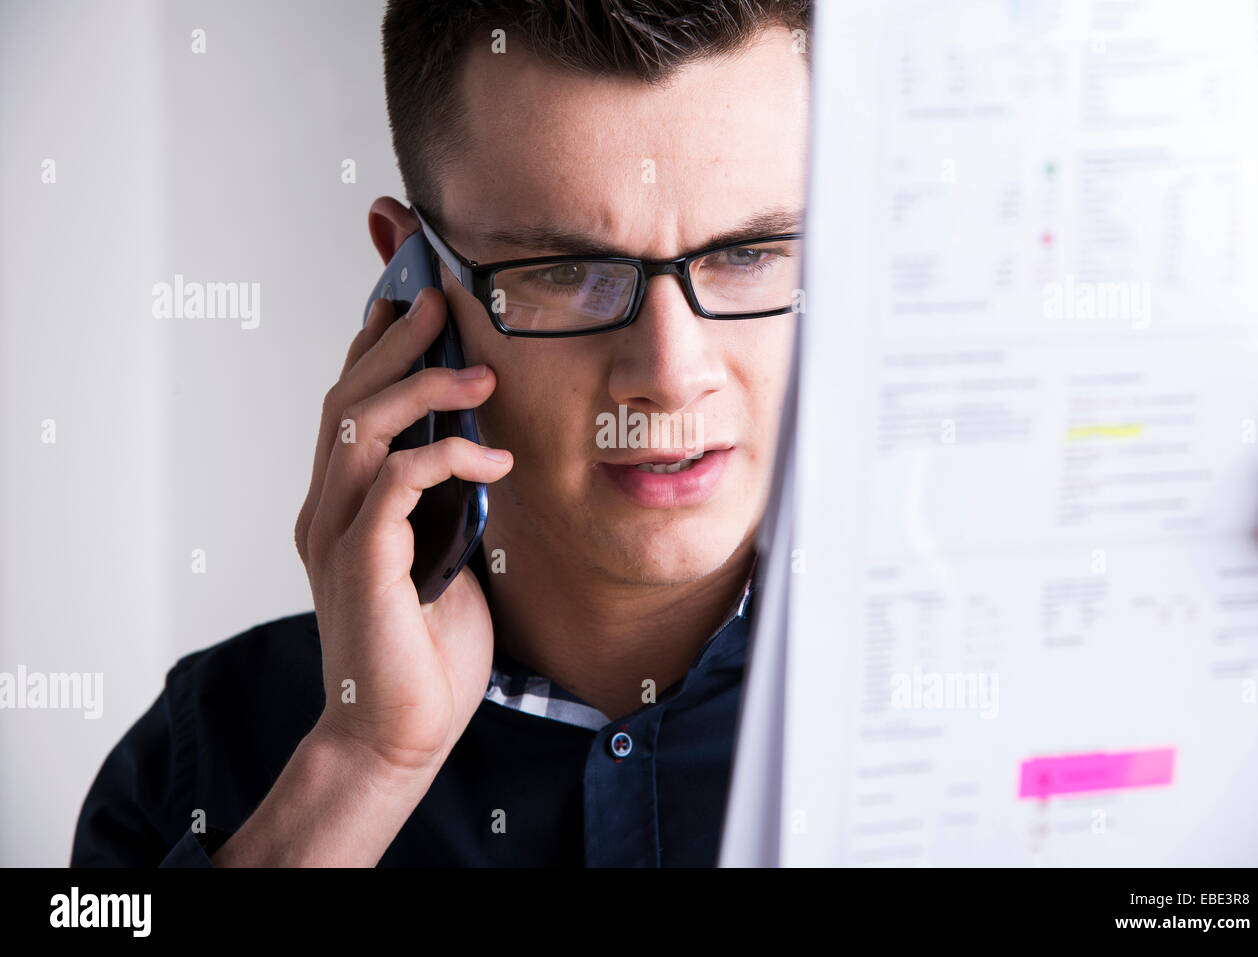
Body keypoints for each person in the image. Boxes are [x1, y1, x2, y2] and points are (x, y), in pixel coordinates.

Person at [71, 0, 810, 866]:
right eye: (566, 271)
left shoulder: (979, 726)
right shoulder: (200, 765)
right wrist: (363, 762)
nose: (670, 373)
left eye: (750, 255)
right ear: (410, 286)